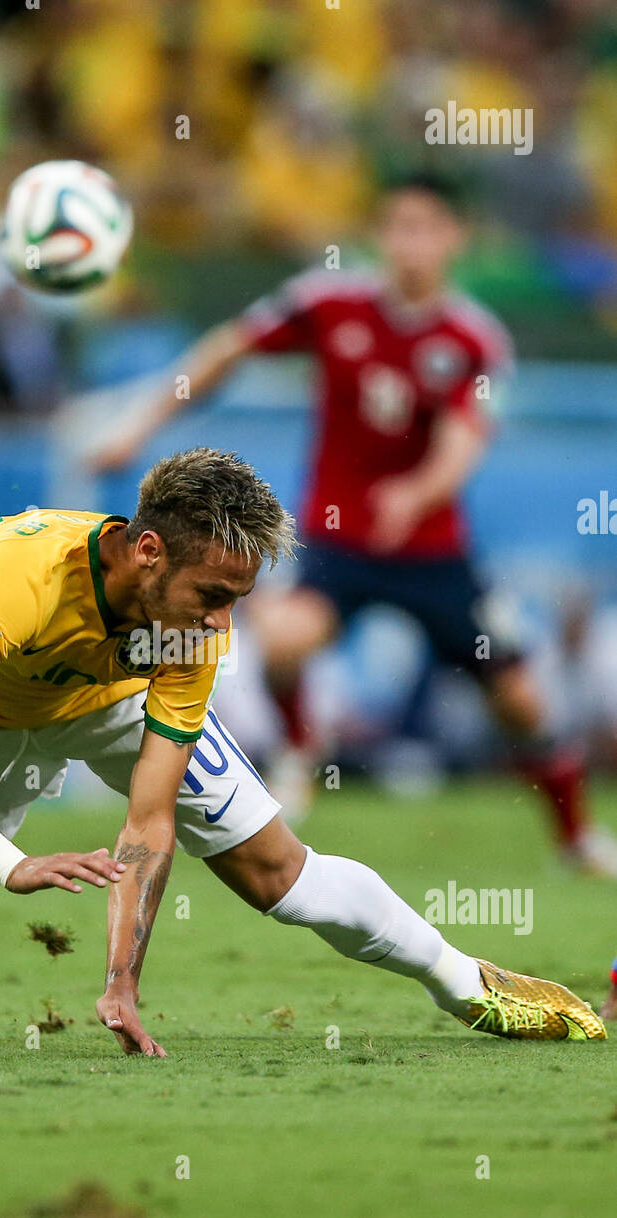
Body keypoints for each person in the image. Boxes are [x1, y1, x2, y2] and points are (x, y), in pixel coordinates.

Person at [0, 450, 604, 1052]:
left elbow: (148, 820)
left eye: (236, 599)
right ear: (148, 551)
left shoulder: (192, 626)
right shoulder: (15, 580)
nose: (221, 624)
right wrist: (11, 864)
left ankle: (465, 982)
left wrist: (121, 983)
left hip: (114, 695)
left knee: (280, 871)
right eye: (213, 594)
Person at [90, 172, 617, 873]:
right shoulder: (328, 302)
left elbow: (464, 443)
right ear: (379, 234)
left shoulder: (472, 338)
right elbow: (229, 349)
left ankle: (574, 836)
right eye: (399, 226)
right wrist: (139, 424)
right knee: (282, 643)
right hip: (341, 544)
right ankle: (300, 751)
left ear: (454, 239)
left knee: (521, 703)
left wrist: (418, 492)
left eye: (427, 228)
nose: (411, 243)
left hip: (434, 554)